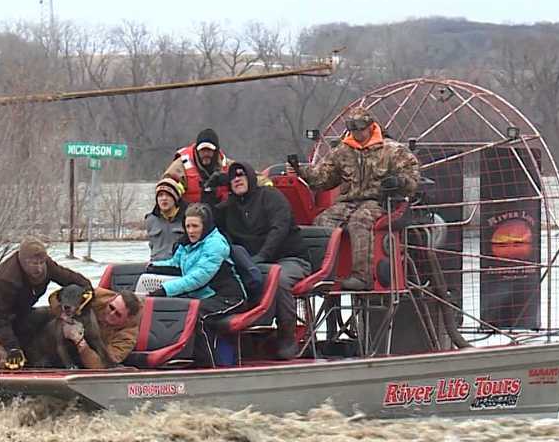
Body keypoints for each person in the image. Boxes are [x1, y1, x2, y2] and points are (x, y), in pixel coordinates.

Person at [293, 106, 421, 290]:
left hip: (379, 201)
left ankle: (362, 277)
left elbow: (412, 177)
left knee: (360, 222)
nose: (357, 133)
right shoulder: (343, 150)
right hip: (349, 201)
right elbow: (323, 179)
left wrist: (399, 181)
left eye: (360, 129)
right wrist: (301, 170)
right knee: (323, 220)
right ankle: (325, 273)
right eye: (353, 130)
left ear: (371, 126)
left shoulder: (392, 150)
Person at [217, 161, 311, 360]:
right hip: (254, 263)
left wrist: (261, 257)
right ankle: (247, 337)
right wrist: (208, 191)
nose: (237, 179)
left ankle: (287, 336)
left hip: (290, 259)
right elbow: (206, 221)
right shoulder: (230, 206)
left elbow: (279, 229)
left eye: (241, 175)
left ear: (251, 177)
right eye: (233, 177)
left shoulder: (271, 197)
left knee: (278, 279)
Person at [147, 204, 247, 366]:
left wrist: (165, 290)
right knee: (175, 308)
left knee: (196, 315)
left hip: (229, 297)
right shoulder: (186, 244)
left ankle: (208, 366)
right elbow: (175, 265)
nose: (191, 231)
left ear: (205, 226)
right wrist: (152, 267)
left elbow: (198, 277)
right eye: (187, 226)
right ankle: (174, 358)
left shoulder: (216, 244)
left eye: (195, 226)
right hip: (202, 295)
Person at [0, 238, 91, 369]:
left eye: (41, 262)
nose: (39, 268)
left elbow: (68, 277)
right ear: (23, 261)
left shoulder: (48, 265)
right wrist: (12, 348)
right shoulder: (6, 280)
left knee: (52, 315)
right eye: (34, 263)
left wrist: (86, 289)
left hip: (20, 313)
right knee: (8, 361)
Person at [47, 287, 143, 369]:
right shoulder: (97, 295)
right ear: (111, 300)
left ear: (127, 319)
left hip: (84, 353)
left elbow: (101, 365)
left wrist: (79, 341)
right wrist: (63, 315)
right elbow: (55, 296)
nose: (111, 313)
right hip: (58, 335)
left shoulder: (127, 338)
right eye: (111, 307)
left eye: (117, 314)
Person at [164, 128, 232, 207]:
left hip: (221, 213)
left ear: (216, 151)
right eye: (202, 150)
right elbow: (166, 190)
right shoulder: (181, 166)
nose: (206, 154)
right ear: (196, 150)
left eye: (209, 150)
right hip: (189, 215)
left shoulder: (230, 167)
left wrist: (229, 180)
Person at [145, 178, 188, 261]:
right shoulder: (150, 220)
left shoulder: (187, 218)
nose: (164, 198)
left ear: (176, 198)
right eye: (160, 195)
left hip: (179, 266)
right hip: (156, 265)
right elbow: (152, 245)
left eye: (168, 195)